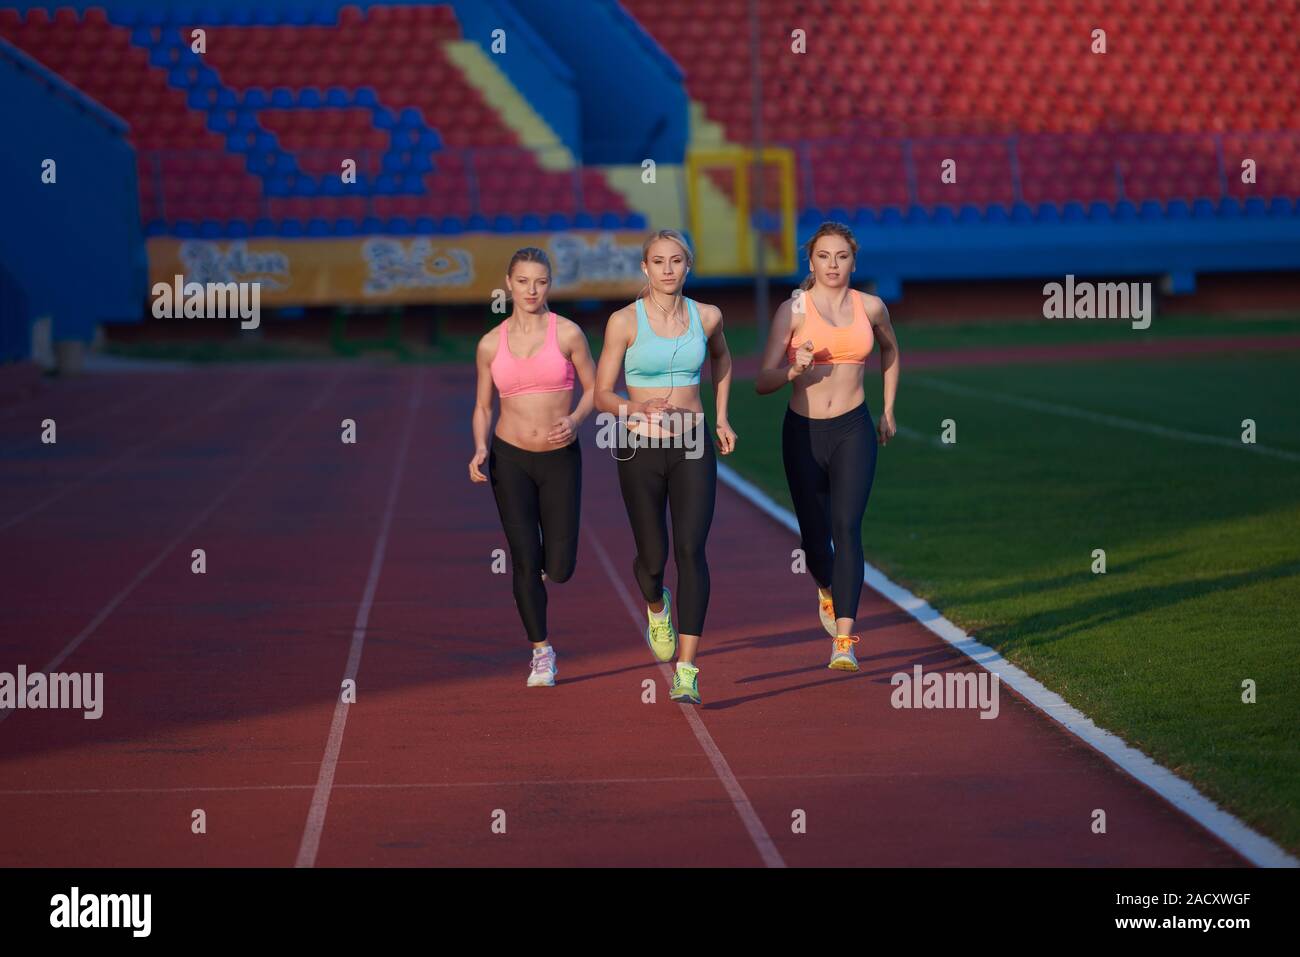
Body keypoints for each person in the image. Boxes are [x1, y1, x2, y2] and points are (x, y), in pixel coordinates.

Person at [593, 229, 736, 704]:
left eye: (676, 261)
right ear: (645, 268)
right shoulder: (623, 322)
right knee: (652, 559)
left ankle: (688, 668)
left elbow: (723, 361)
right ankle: (657, 607)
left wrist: (719, 417)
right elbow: (601, 395)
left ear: (687, 266)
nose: (668, 269)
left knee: (692, 550)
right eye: (658, 262)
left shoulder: (708, 316)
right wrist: (635, 410)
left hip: (693, 443)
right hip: (638, 446)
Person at [754, 222, 899, 671]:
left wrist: (888, 409)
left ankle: (844, 639)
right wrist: (793, 371)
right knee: (816, 542)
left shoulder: (871, 307)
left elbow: (891, 352)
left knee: (847, 527)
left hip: (853, 430)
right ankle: (824, 587)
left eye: (841, 257)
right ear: (811, 262)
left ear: (853, 261)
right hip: (803, 433)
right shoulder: (793, 311)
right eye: (824, 256)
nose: (833, 265)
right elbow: (762, 381)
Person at [469, 247, 596, 687]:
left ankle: (547, 570)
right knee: (524, 559)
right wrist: (479, 448)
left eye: (540, 281)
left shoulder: (568, 334)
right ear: (509, 283)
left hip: (560, 457)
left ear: (549, 284)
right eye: (523, 281)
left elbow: (595, 389)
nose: (531, 289)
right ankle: (541, 652)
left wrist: (577, 420)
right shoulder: (490, 343)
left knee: (559, 566)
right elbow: (483, 406)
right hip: (510, 459)